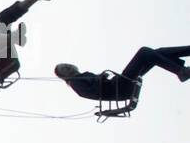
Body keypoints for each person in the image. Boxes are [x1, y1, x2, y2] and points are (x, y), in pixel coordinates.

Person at [55, 46, 190, 116]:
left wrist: (100, 77)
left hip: (119, 85)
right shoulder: (76, 83)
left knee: (154, 53)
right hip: (119, 87)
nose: (67, 67)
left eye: (65, 65)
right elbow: (96, 92)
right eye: (64, 69)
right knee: (144, 52)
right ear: (64, 76)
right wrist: (101, 78)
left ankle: (182, 64)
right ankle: (181, 71)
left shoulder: (81, 77)